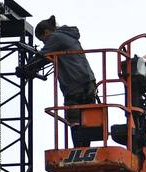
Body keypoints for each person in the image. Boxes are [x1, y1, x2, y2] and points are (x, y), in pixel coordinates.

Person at [25, 16, 98, 147]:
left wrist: (25, 68)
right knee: (86, 121)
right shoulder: (68, 36)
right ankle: (85, 150)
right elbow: (46, 59)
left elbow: (42, 57)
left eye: (43, 40)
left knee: (74, 119)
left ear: (46, 32)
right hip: (88, 82)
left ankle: (79, 152)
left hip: (74, 85)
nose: (44, 43)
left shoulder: (56, 38)